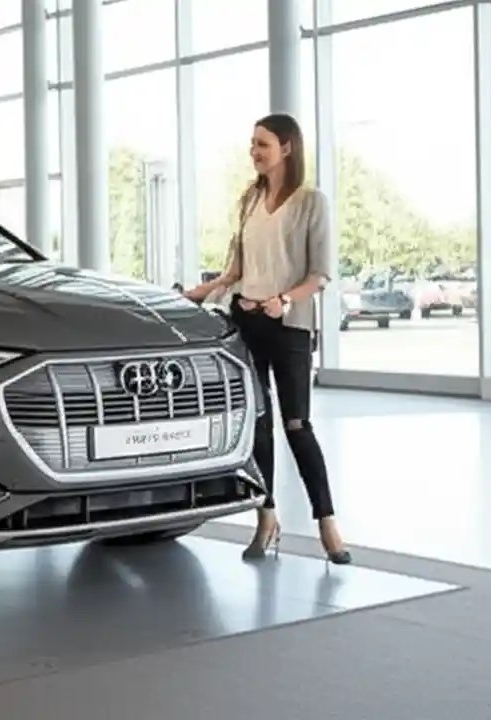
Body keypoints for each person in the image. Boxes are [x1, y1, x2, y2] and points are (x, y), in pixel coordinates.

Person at [183, 112, 351, 565]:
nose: (254, 151)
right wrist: (200, 292)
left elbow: (320, 275)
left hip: (289, 325)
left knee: (297, 425)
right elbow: (234, 271)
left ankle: (327, 524)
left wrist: (284, 299)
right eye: (252, 143)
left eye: (263, 144)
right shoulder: (249, 200)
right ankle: (266, 517)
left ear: (287, 148)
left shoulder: (312, 202)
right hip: (247, 321)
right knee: (258, 424)